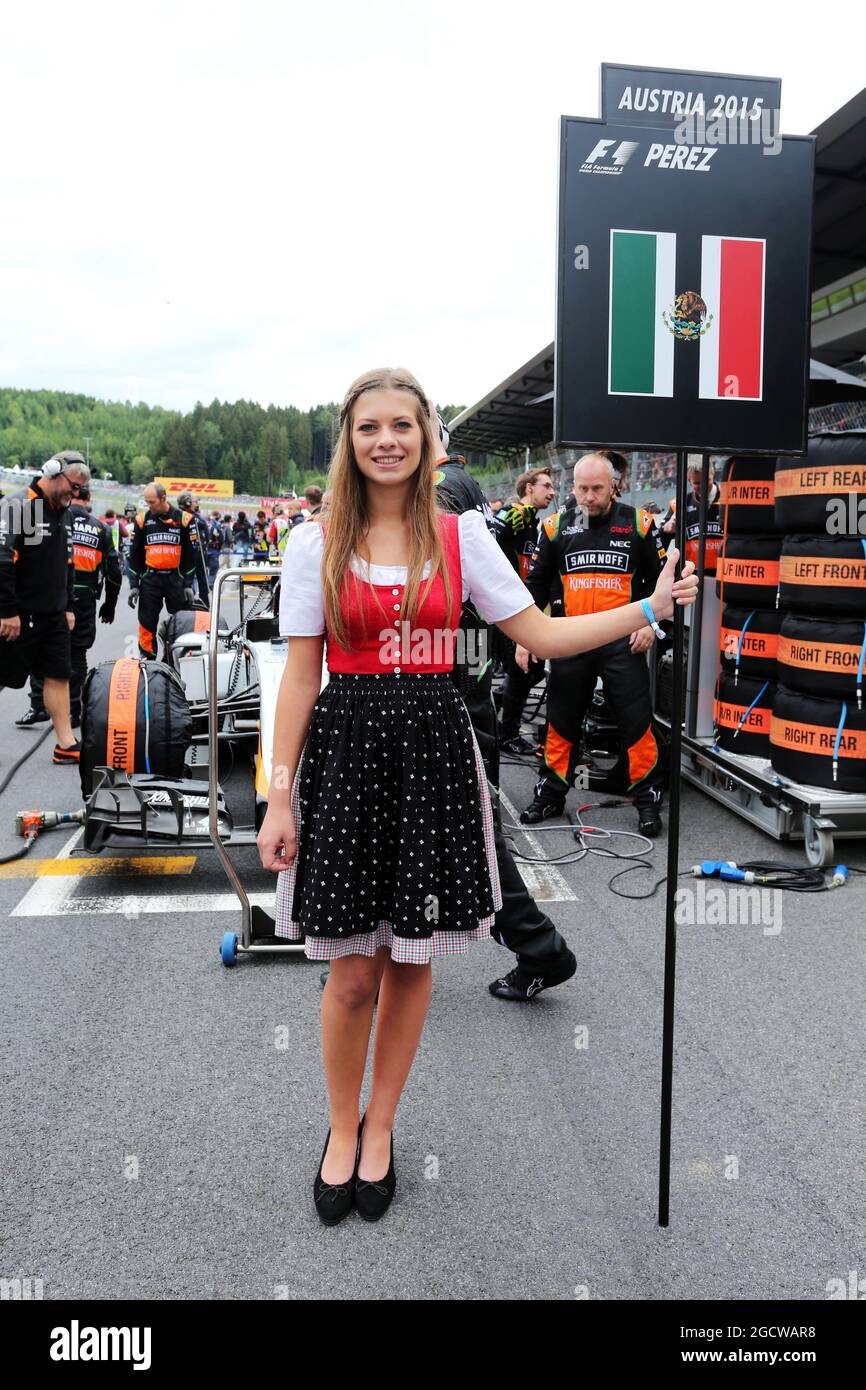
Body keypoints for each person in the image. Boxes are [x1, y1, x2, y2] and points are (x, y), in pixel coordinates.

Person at [256, 367, 697, 1225]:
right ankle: (339, 1129)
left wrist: (644, 602)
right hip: (346, 754)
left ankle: (381, 1129)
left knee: (412, 960)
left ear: (428, 440)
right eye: (369, 426)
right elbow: (300, 675)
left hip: (431, 750)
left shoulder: (463, 534)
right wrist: (279, 796)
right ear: (349, 441)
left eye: (403, 426)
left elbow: (540, 632)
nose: (387, 440)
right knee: (350, 973)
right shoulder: (313, 542)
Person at [431, 425, 578, 1002]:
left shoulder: (441, 488)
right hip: (451, 669)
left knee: (471, 828)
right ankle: (367, 961)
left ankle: (540, 947)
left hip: (443, 675)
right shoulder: (458, 483)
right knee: (453, 828)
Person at [517, 454, 669, 837]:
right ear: (572, 487)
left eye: (597, 488)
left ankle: (648, 799)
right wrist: (524, 639)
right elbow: (533, 588)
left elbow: (662, 584)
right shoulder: (554, 527)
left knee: (636, 723)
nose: (588, 497)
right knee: (560, 722)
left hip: (623, 642)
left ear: (613, 486)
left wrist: (651, 622)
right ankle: (551, 793)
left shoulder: (638, 522)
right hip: (571, 639)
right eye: (581, 488)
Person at [0, 450, 90, 763]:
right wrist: (7, 611)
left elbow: (68, 563)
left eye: (80, 490)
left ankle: (65, 744)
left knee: (59, 675)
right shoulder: (18, 505)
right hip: (17, 615)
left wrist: (67, 606)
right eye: (72, 486)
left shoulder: (62, 512)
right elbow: (2, 559)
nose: (74, 494)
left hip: (53, 615)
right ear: (52, 472)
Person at [18, 484, 121, 729]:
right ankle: (75, 711)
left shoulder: (52, 520)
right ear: (89, 498)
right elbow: (114, 573)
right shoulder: (101, 528)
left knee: (40, 649)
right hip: (83, 598)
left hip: (50, 594)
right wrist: (109, 604)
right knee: (77, 655)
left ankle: (38, 706)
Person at [493, 468, 556, 753]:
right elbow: (494, 532)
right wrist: (510, 516)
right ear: (529, 488)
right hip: (504, 608)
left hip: (524, 607)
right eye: (546, 486)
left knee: (533, 672)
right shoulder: (512, 513)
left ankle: (499, 697)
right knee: (521, 672)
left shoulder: (534, 523)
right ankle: (508, 736)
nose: (552, 492)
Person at [128, 482, 203, 658]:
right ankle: (148, 663)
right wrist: (134, 585)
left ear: (163, 498)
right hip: (150, 580)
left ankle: (178, 658)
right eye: (146, 502)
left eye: (151, 502)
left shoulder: (184, 519)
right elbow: (135, 556)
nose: (149, 506)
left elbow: (191, 555)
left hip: (175, 579)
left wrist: (187, 584)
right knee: (146, 624)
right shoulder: (141, 520)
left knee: (181, 621)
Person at [661, 460, 722, 573]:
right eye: (698, 483)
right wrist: (665, 529)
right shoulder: (680, 503)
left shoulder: (729, 500)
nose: (703, 486)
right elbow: (660, 545)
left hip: (723, 574)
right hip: (691, 575)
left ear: (713, 475)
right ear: (689, 481)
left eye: (707, 480)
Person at [175, 492, 211, 598]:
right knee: (189, 578)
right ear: (188, 503)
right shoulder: (185, 516)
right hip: (188, 552)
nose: (196, 504)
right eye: (195, 502)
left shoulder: (191, 516)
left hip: (196, 550)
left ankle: (202, 602)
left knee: (201, 579)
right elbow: (203, 524)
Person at [205, 509, 224, 586]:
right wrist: (219, 547)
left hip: (204, 548)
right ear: (217, 516)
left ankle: (205, 582)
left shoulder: (205, 522)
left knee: (205, 567)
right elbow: (220, 537)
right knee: (214, 567)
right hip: (214, 548)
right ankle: (211, 583)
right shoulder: (217, 524)